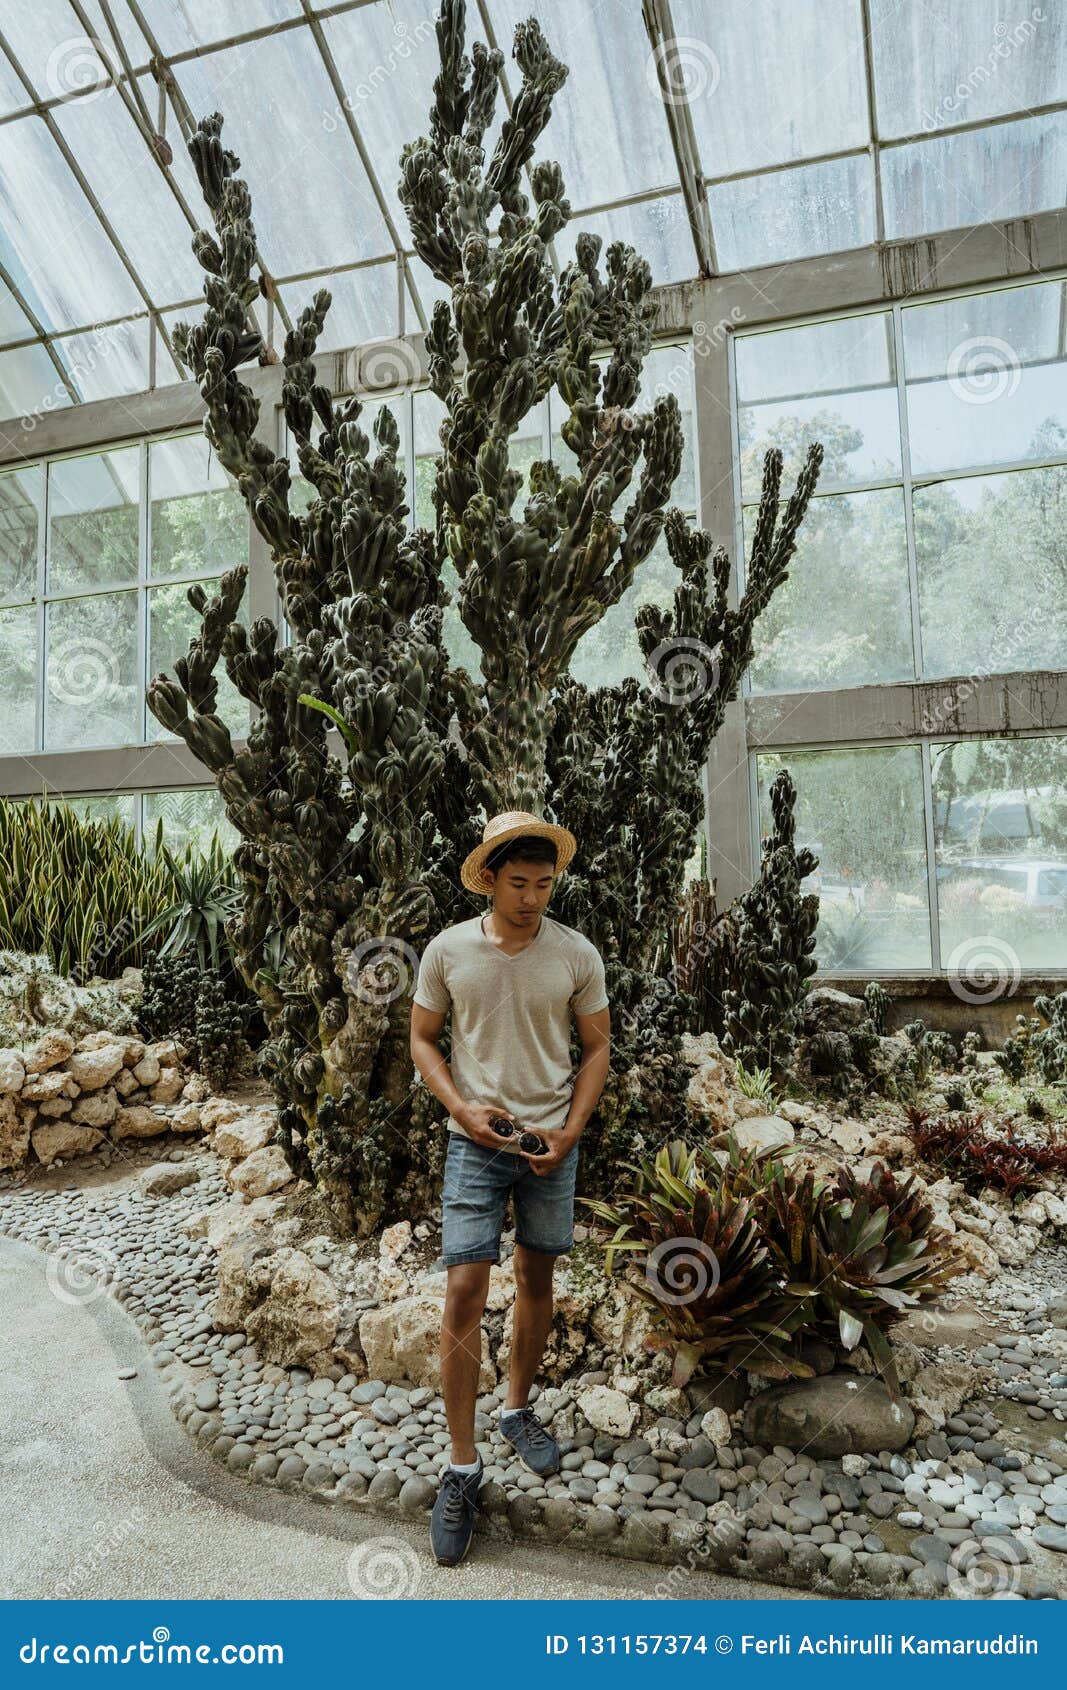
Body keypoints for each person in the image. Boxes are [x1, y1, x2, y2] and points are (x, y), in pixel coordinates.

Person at [409, 809, 611, 1566]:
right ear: (489, 879)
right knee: (463, 1288)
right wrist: (461, 1107)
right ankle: (461, 1467)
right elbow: (420, 1037)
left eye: (544, 882)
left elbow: (597, 1048)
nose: (532, 898)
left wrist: (570, 1132)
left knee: (536, 1275)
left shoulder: (575, 953)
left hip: (549, 1147)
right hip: (473, 1144)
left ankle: (517, 1409)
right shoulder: (447, 950)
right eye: (519, 883)